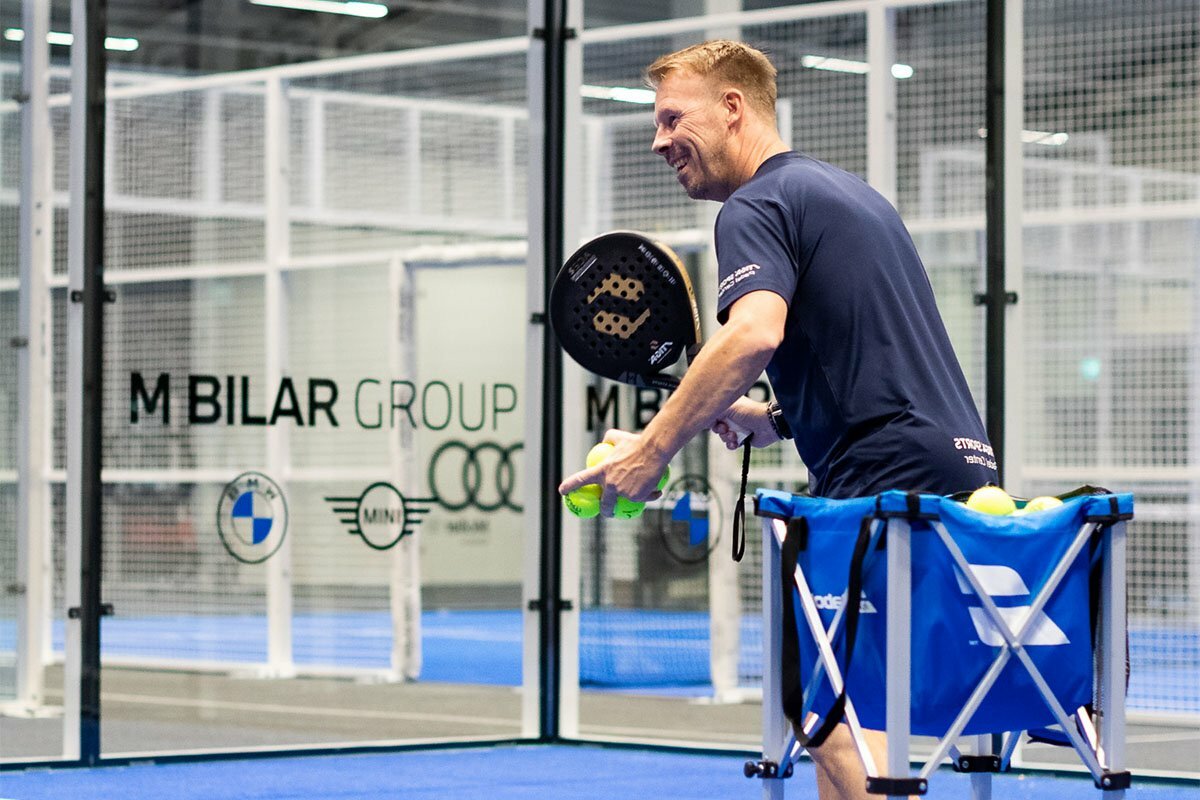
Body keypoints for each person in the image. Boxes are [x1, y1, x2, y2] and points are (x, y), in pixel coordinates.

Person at [558, 40, 998, 800]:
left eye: (671, 119)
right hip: (958, 468)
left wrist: (654, 450)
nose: (658, 141)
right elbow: (874, 351)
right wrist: (775, 418)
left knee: (824, 711)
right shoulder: (852, 196)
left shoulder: (755, 205)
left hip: (878, 478)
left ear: (732, 109)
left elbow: (755, 332)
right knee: (860, 702)